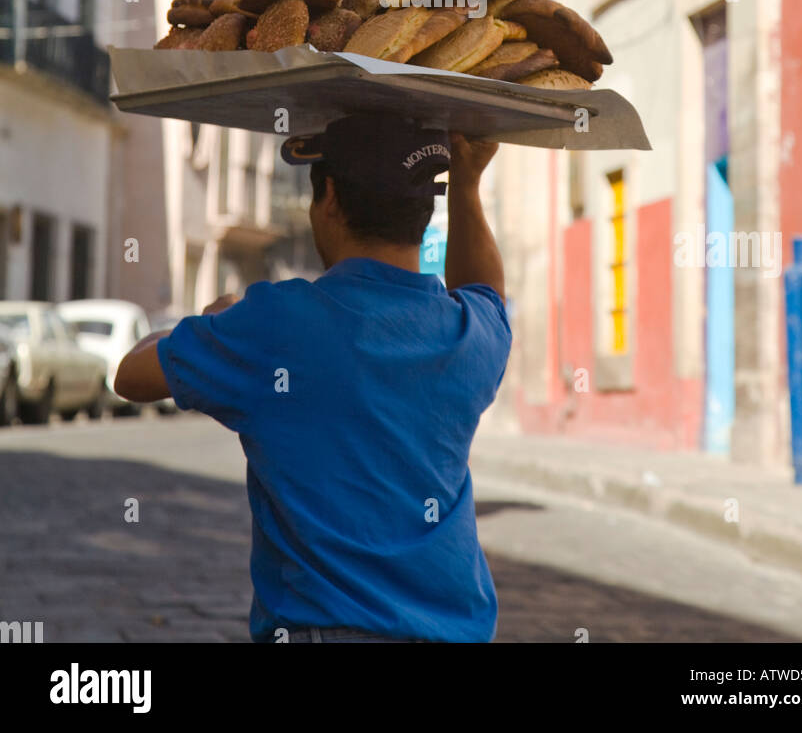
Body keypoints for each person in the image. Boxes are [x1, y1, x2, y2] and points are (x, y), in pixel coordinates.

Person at [115, 113, 511, 643]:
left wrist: (214, 322)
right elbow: (486, 289)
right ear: (424, 212)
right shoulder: (469, 335)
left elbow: (131, 376)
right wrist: (468, 184)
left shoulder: (274, 323)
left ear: (328, 200)